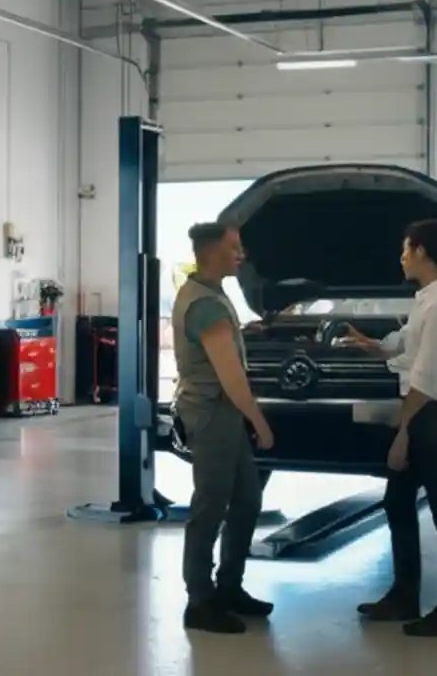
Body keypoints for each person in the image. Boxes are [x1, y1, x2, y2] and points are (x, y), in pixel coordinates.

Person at [339, 219, 437, 638]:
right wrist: (371, 344)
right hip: (426, 412)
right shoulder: (427, 301)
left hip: (436, 414)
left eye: (404, 249)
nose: (400, 256)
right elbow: (405, 344)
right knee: (397, 503)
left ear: (419, 250)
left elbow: (426, 377)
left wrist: (402, 433)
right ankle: (404, 595)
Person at [172, 221, 276, 635]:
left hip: (223, 413)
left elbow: (222, 344)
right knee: (210, 506)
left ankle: (229, 588)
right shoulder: (206, 306)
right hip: (213, 413)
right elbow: (231, 378)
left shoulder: (212, 295)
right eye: (234, 247)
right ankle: (200, 600)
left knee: (247, 500)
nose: (242, 254)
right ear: (212, 251)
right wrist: (260, 422)